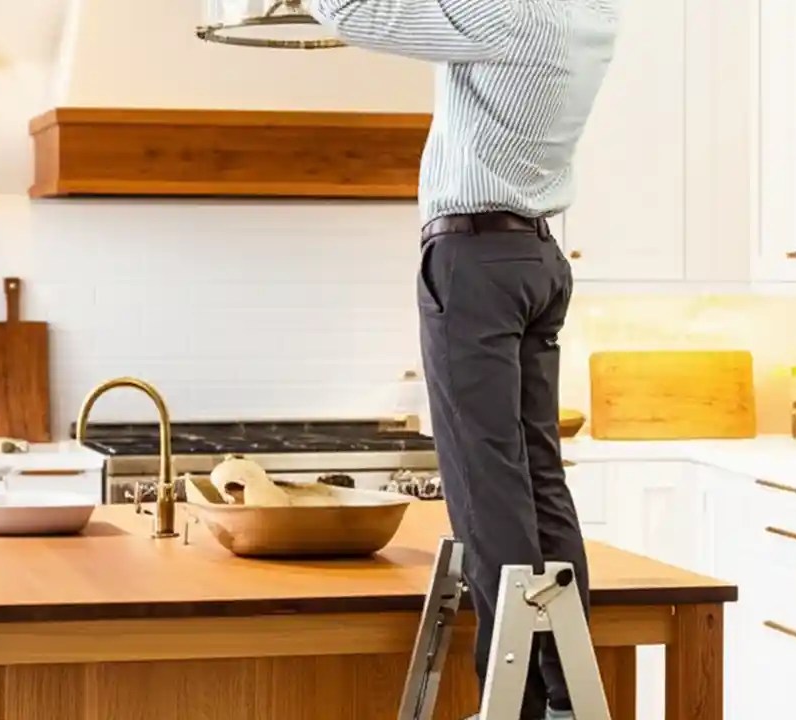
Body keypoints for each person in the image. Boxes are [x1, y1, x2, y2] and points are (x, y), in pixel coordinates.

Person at [307, 2, 621, 719]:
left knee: (485, 480)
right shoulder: (596, 14)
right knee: (537, 474)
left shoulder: (510, 14)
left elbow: (356, 13)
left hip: (475, 258)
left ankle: (512, 702)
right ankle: (564, 691)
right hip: (537, 256)